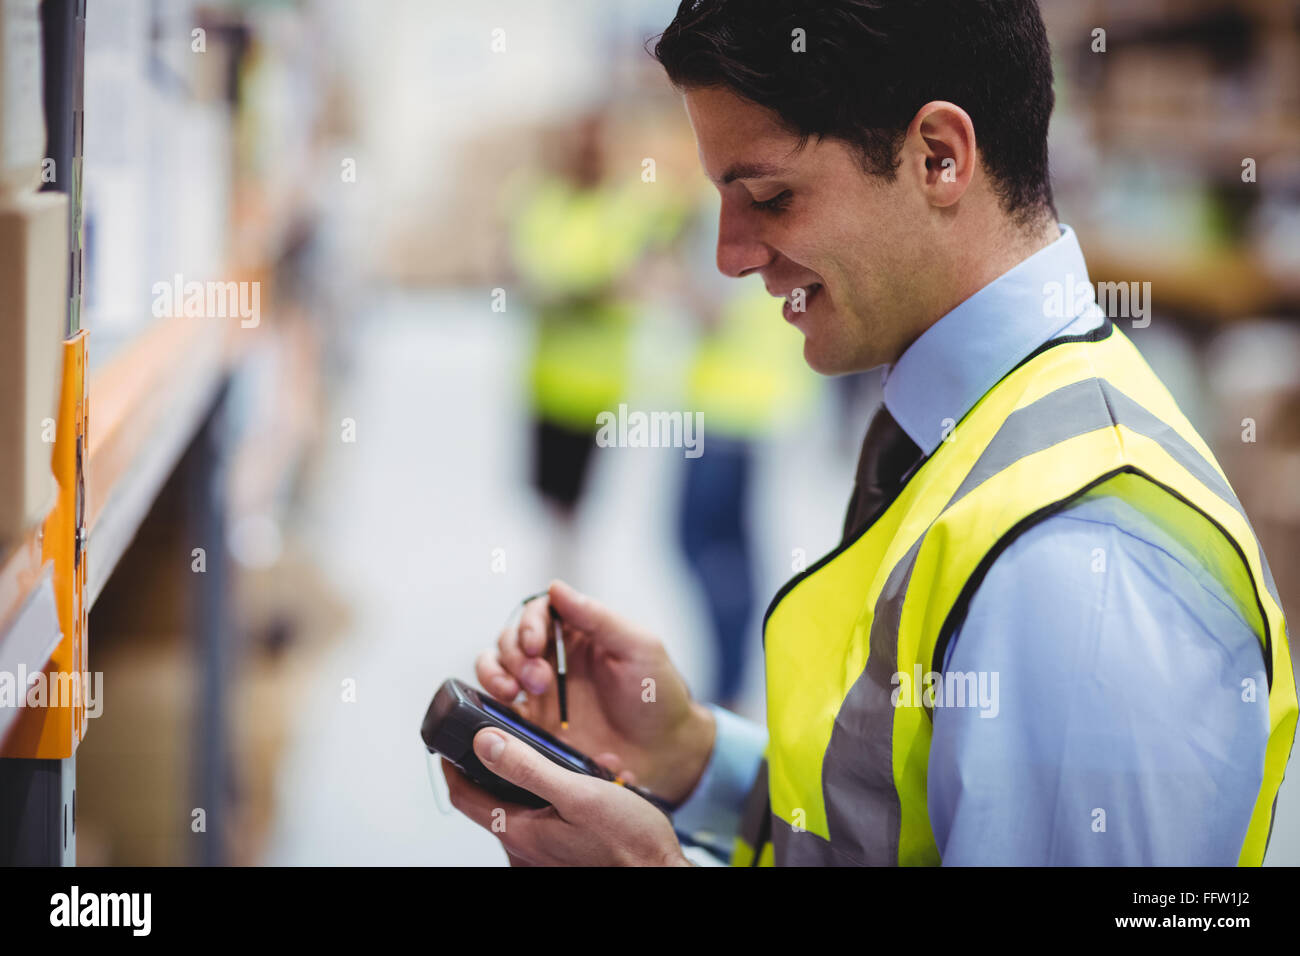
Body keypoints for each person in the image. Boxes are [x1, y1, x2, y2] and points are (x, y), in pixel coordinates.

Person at [444, 0, 1297, 866]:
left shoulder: (1079, 566)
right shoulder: (964, 427)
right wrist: (694, 757)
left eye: (769, 195)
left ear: (938, 158)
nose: (729, 255)